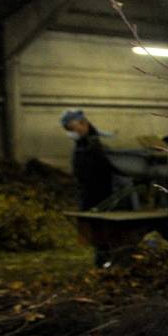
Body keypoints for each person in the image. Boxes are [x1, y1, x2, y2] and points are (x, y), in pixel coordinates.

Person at [61, 109, 117, 266]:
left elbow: (102, 170)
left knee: (101, 227)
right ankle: (102, 257)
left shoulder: (94, 144)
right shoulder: (82, 143)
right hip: (88, 191)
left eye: (72, 128)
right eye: (68, 130)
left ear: (83, 124)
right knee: (94, 228)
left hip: (99, 192)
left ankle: (106, 258)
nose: (71, 132)